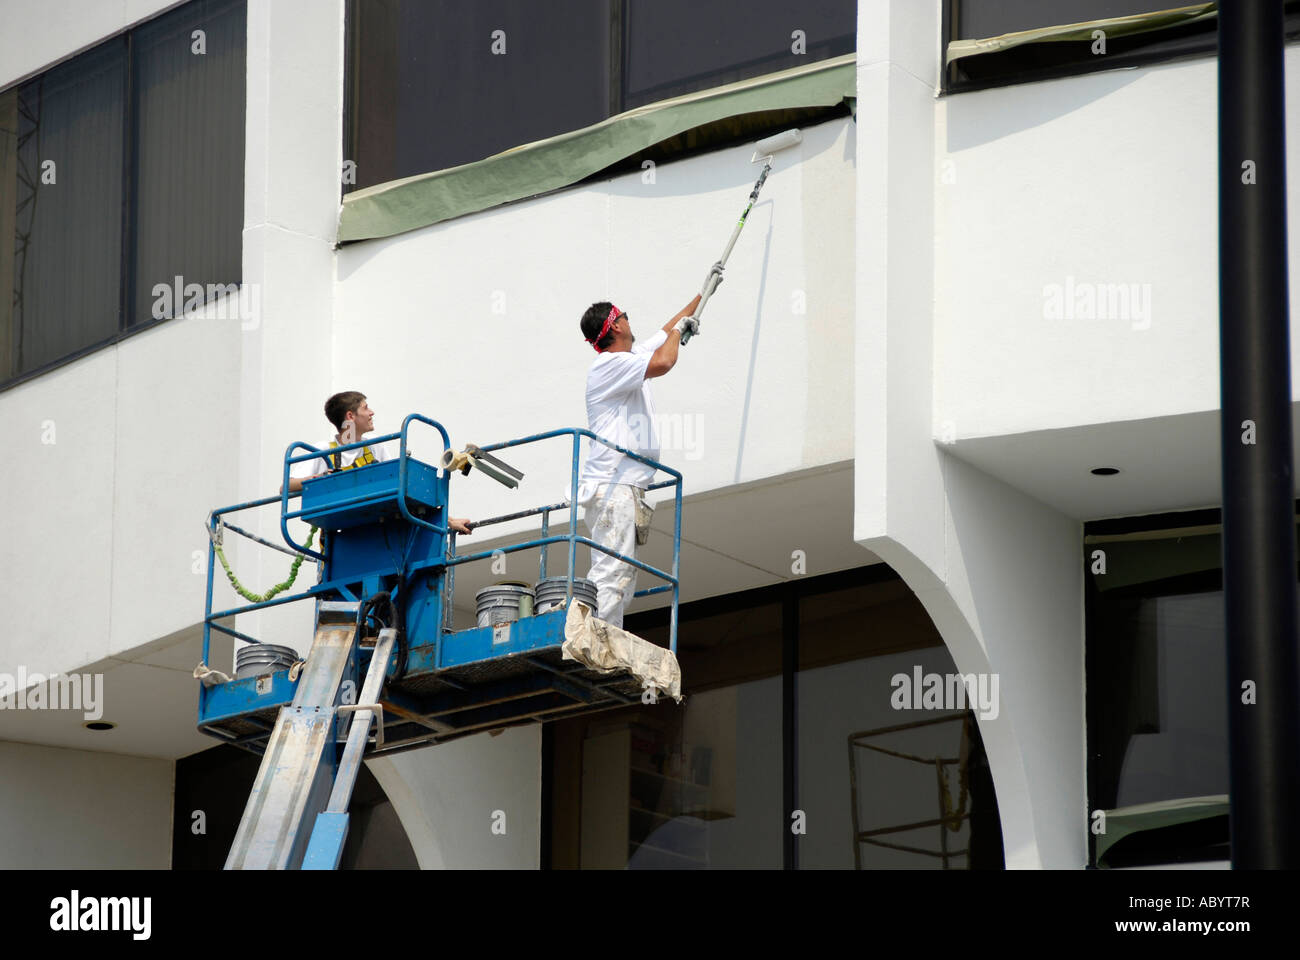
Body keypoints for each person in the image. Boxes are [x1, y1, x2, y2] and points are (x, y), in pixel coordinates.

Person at [576, 288, 711, 627]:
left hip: (621, 488)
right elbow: (665, 358)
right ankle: (595, 638)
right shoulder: (610, 365)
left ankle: (603, 635)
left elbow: (664, 335)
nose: (628, 319)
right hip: (613, 486)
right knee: (612, 575)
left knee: (622, 578)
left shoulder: (629, 357)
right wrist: (682, 331)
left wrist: (704, 291)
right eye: (624, 315)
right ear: (616, 326)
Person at [285, 390, 472, 535]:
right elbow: (286, 486)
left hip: (379, 526)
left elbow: (402, 488)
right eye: (365, 408)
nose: (371, 412)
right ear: (350, 416)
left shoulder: (374, 447)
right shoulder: (325, 450)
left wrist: (450, 521)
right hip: (342, 532)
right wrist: (319, 478)